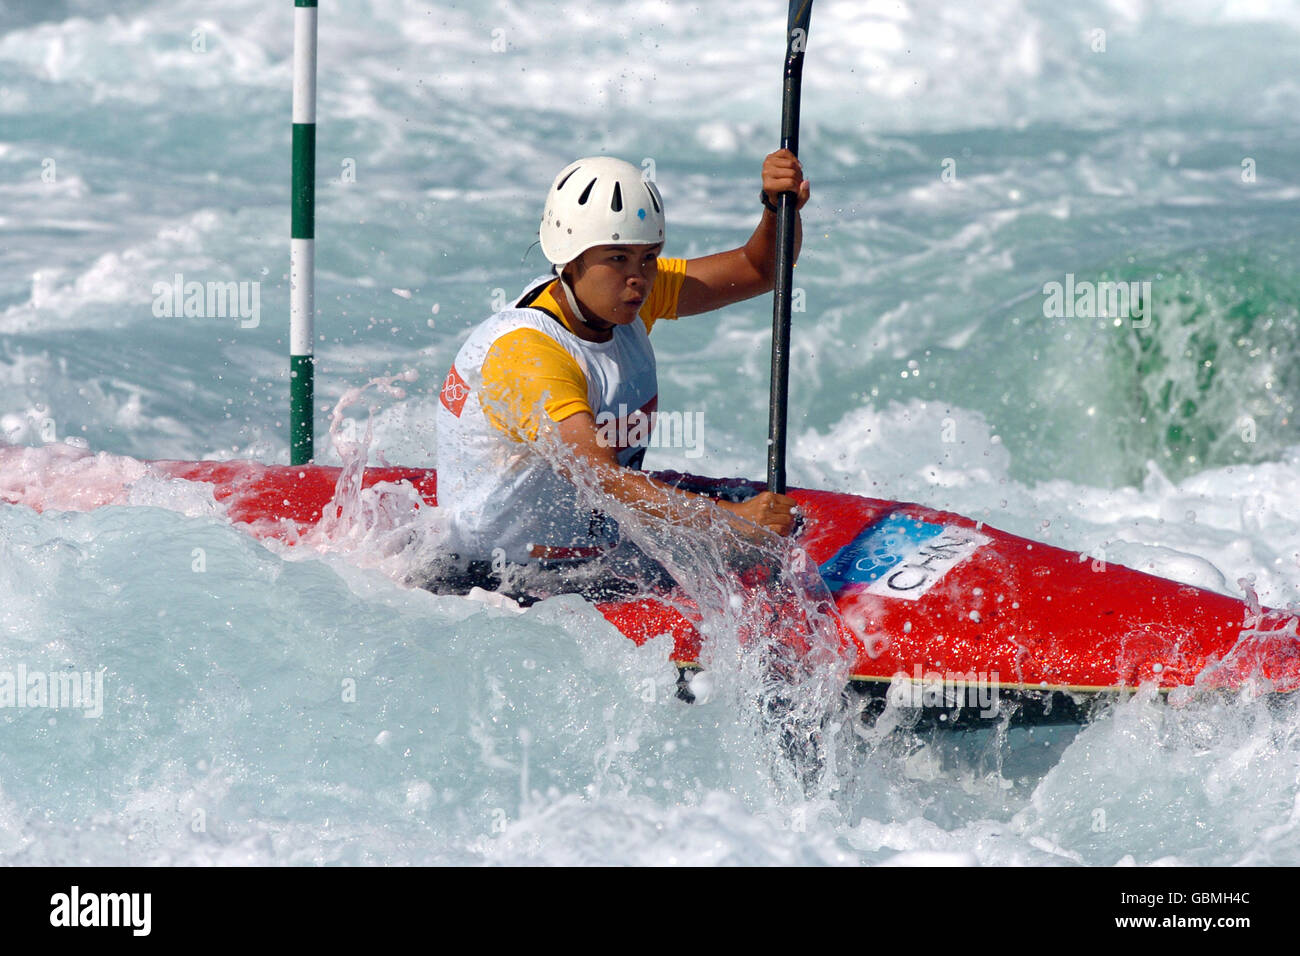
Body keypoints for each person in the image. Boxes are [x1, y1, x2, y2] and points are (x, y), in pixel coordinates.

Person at [426, 149, 810, 604]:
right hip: (494, 582)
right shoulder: (529, 355)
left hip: (589, 557)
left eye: (649, 257)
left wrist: (774, 208)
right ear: (569, 261)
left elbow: (760, 269)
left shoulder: (623, 299)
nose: (639, 279)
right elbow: (600, 476)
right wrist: (735, 521)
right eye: (618, 259)